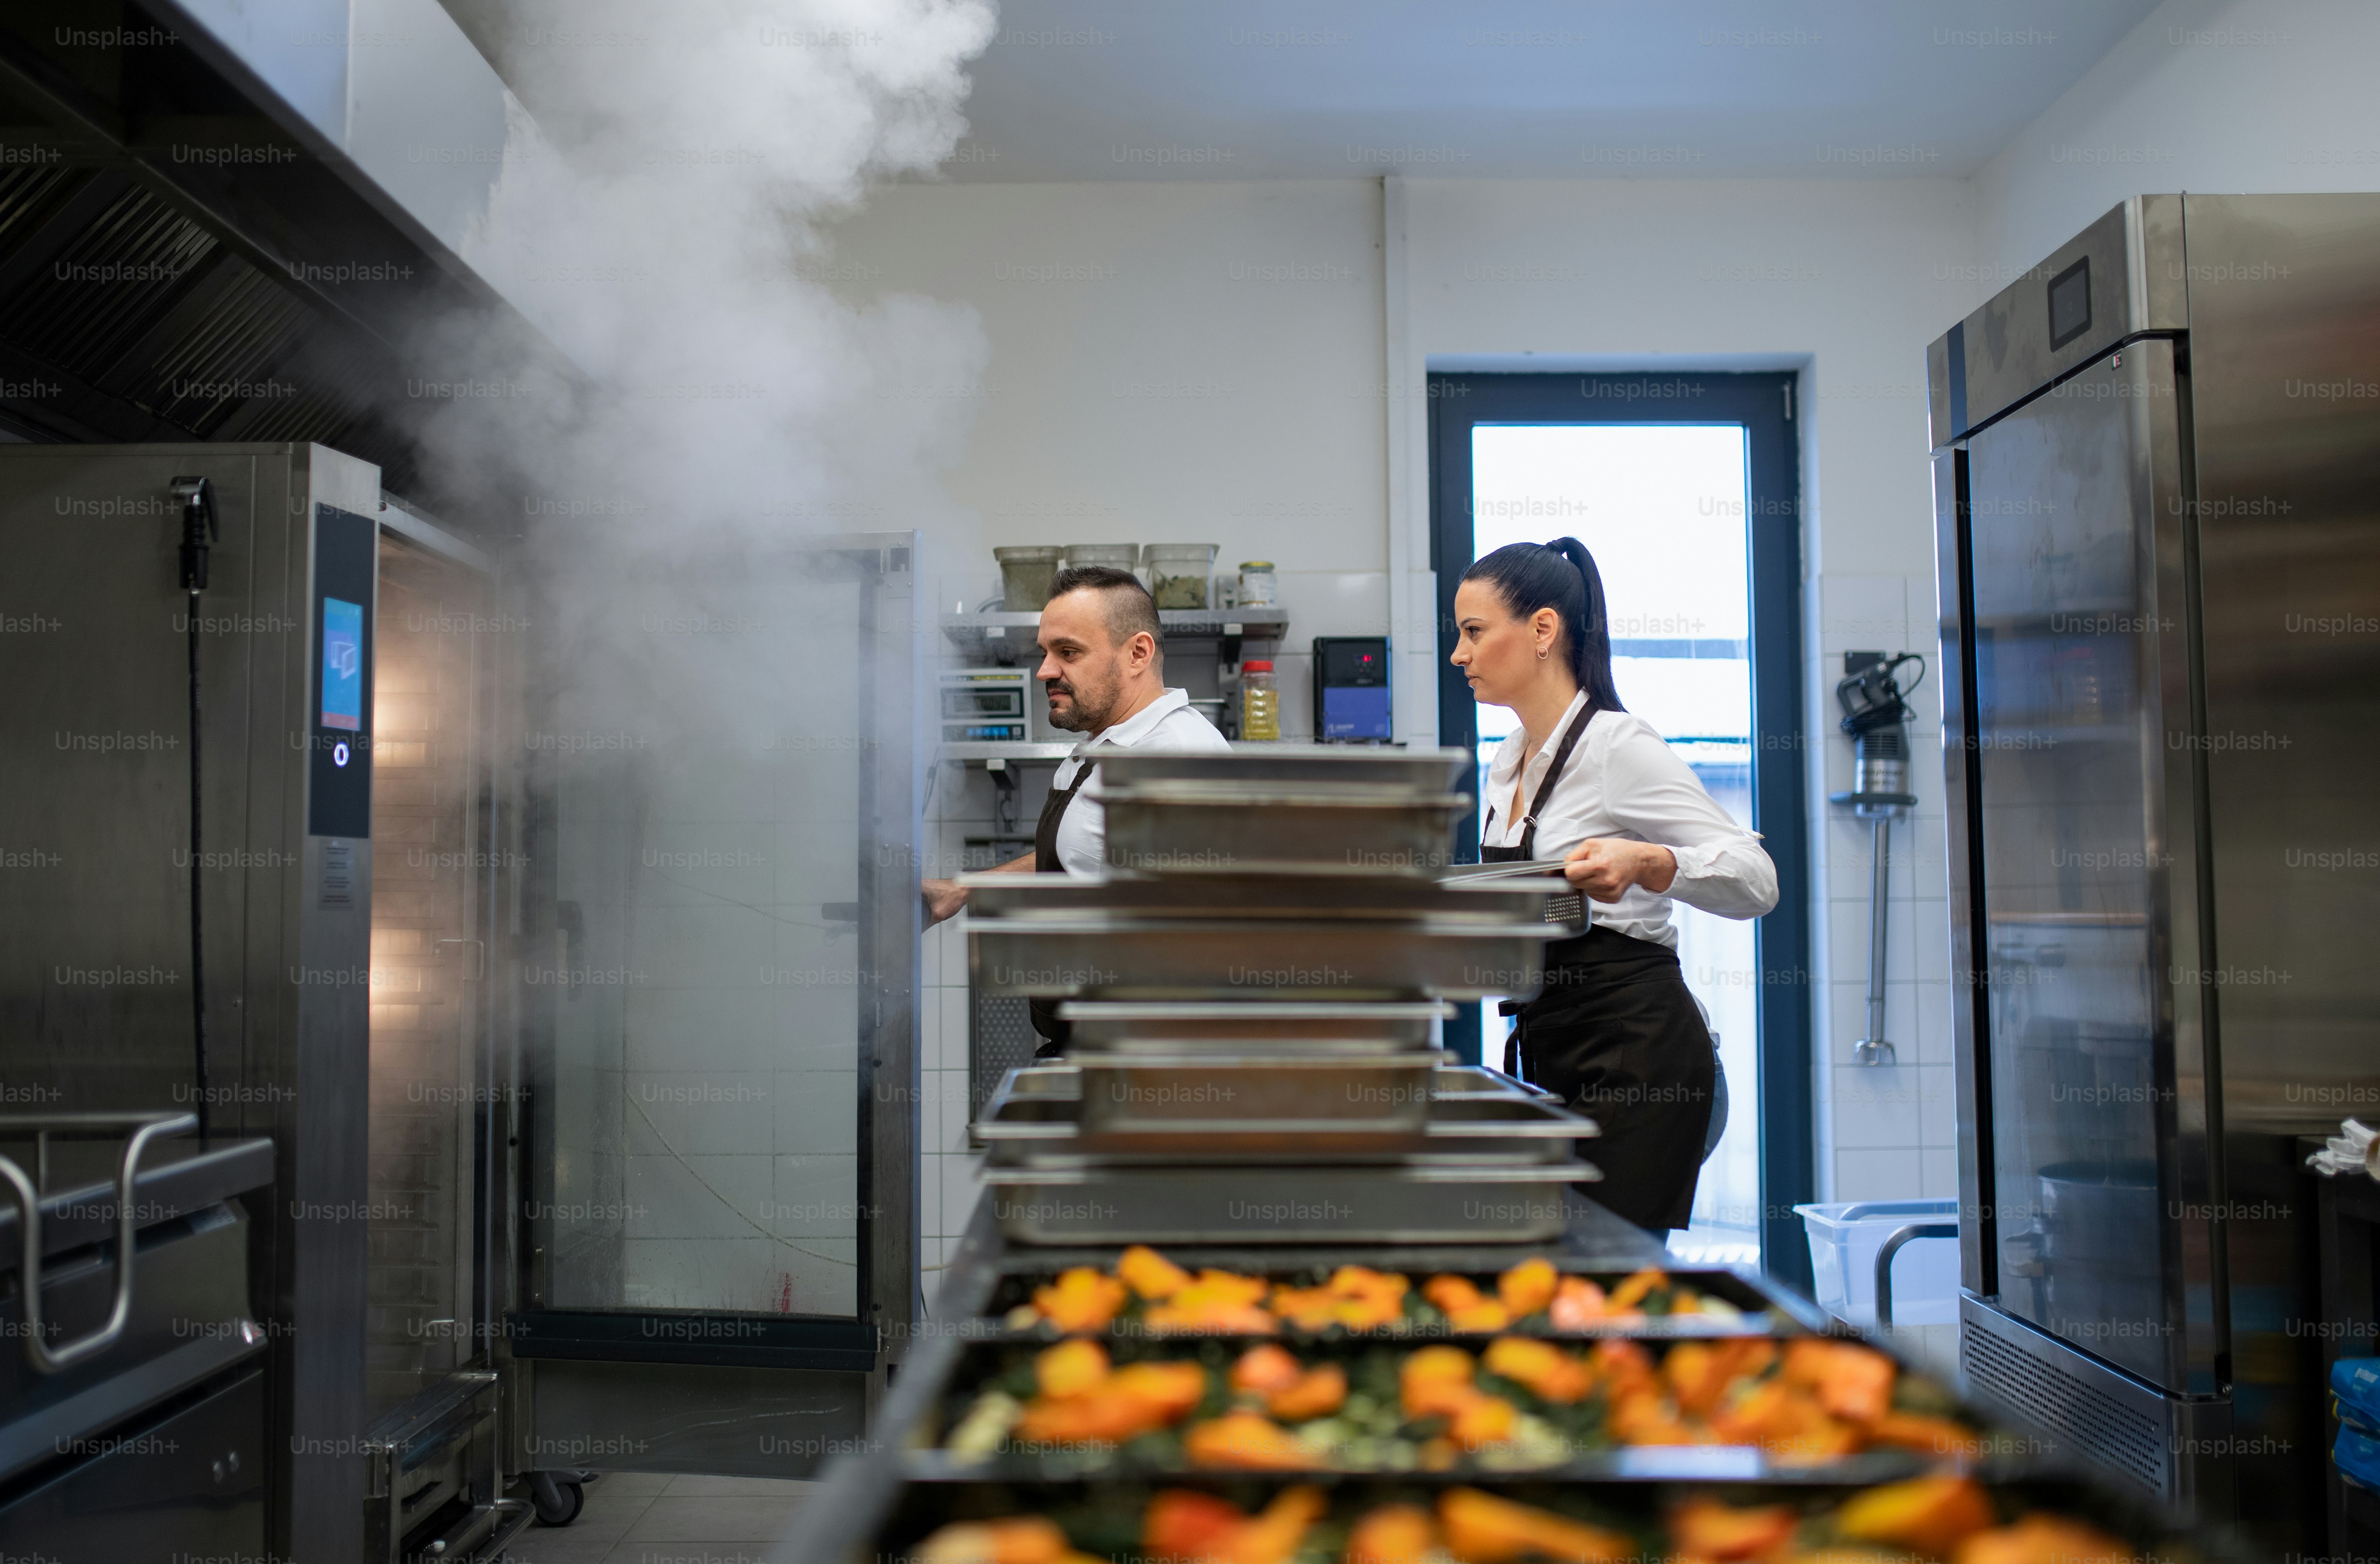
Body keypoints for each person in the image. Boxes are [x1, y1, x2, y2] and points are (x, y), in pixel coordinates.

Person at [1451, 538, 1776, 1233]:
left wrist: (1650, 862)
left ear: (1542, 630)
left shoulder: (1615, 746)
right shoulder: (1507, 762)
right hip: (1556, 1055)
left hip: (1641, 1064)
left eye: (1473, 632)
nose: (1460, 654)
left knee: (1606, 1298)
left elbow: (1756, 879)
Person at [923, 564, 1229, 1052]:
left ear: (1137, 653)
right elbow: (1088, 851)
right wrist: (963, 890)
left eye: (1067, 652)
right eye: (1044, 652)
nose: (1043, 670)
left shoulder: (1175, 757)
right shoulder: (1110, 742)